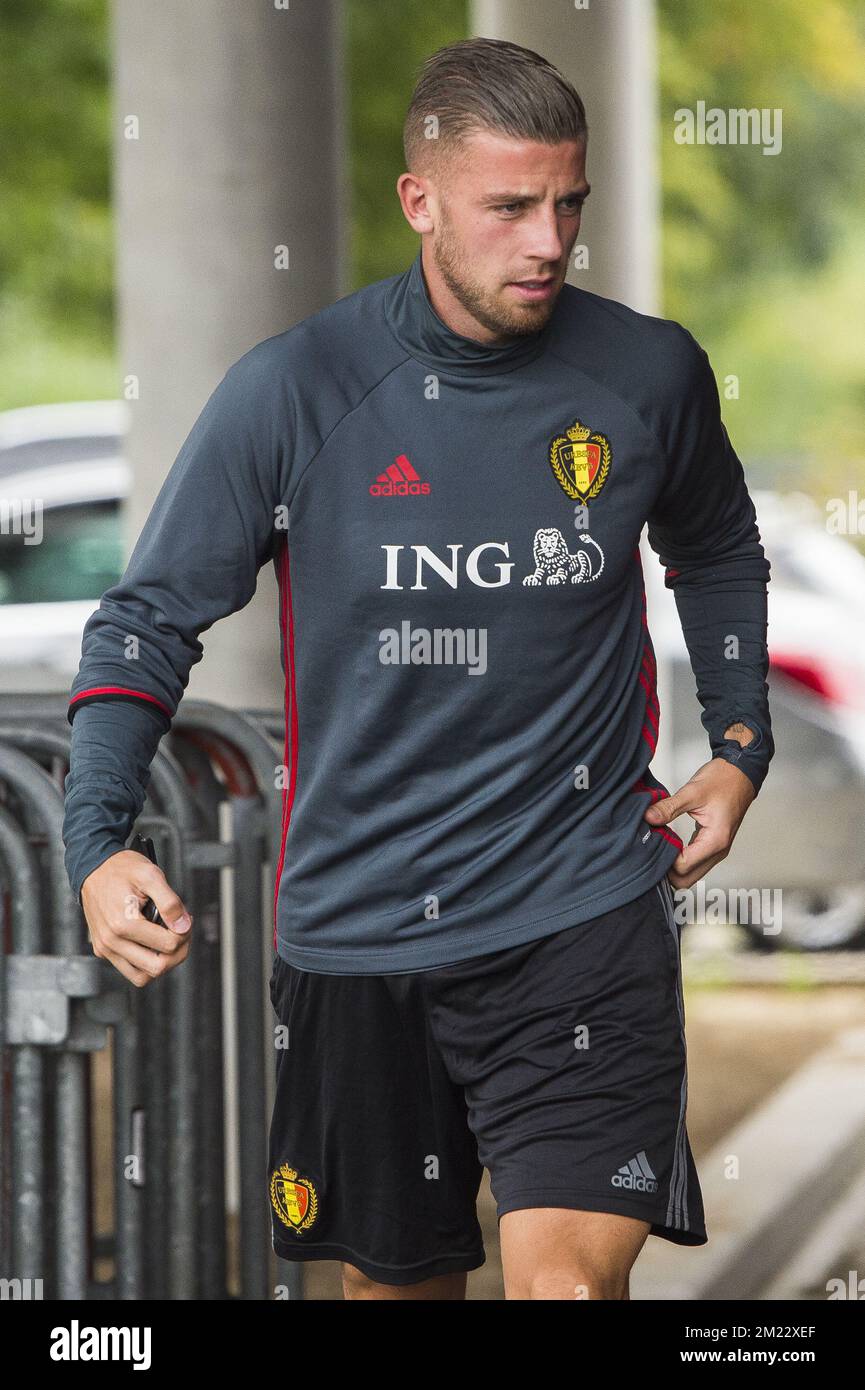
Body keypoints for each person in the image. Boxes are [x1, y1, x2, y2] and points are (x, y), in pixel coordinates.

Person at [62, 36, 773, 1300]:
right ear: (421, 200)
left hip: (582, 909)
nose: (547, 240)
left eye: (568, 203)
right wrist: (96, 838)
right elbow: (147, 620)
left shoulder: (648, 371)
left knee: (566, 1288)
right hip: (359, 931)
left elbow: (715, 547)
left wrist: (737, 746)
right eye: (510, 206)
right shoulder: (294, 390)